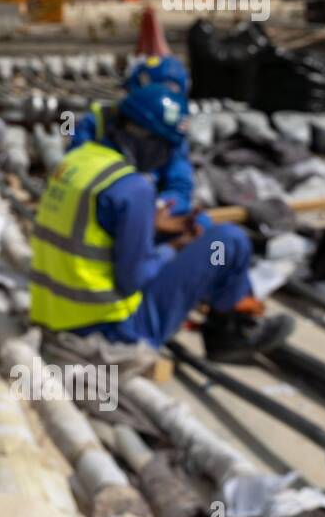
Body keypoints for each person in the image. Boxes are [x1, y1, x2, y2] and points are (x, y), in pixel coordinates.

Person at [33, 82, 292, 369]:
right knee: (228, 241)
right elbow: (135, 278)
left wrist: (151, 222)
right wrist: (174, 247)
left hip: (55, 312)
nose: (169, 156)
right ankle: (230, 333)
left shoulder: (74, 163)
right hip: (114, 330)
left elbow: (91, 225)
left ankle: (229, 316)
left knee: (200, 231)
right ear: (150, 140)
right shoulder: (132, 188)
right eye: (168, 148)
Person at [69, 53, 204, 245]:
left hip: (151, 212)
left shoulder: (170, 132)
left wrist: (159, 208)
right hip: (102, 212)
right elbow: (76, 178)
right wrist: (138, 213)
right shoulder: (97, 123)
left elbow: (180, 185)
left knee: (203, 228)